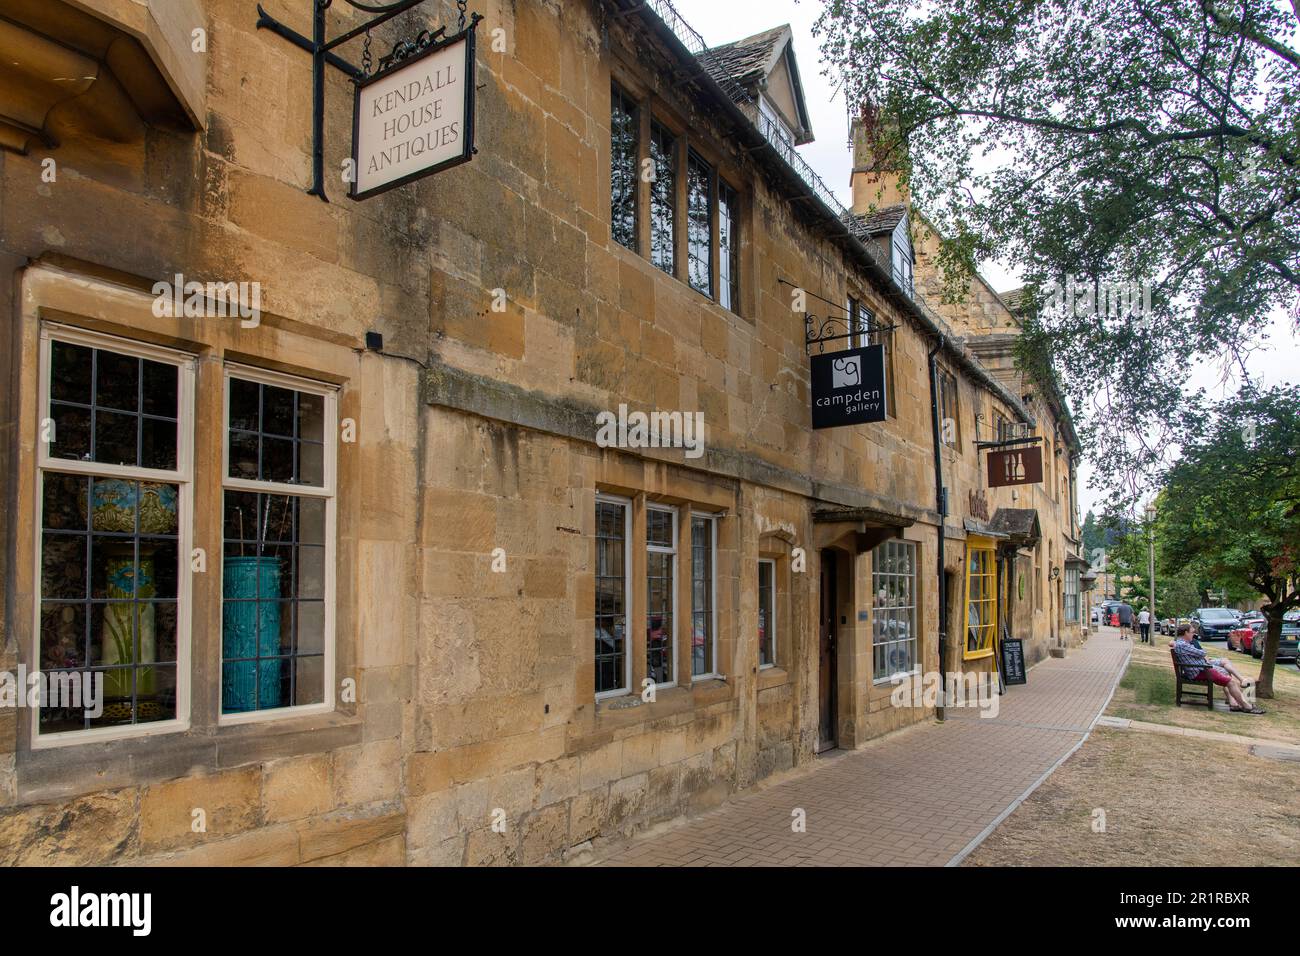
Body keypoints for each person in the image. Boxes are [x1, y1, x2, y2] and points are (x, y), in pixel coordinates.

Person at [1171, 625, 1264, 714]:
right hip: (1201, 671)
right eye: (1192, 632)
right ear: (1186, 633)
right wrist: (1201, 655)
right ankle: (1246, 706)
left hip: (1201, 668)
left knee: (1227, 672)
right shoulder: (1183, 645)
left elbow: (1199, 654)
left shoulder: (1181, 643)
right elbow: (1202, 653)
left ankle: (1237, 703)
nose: (1193, 634)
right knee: (1231, 681)